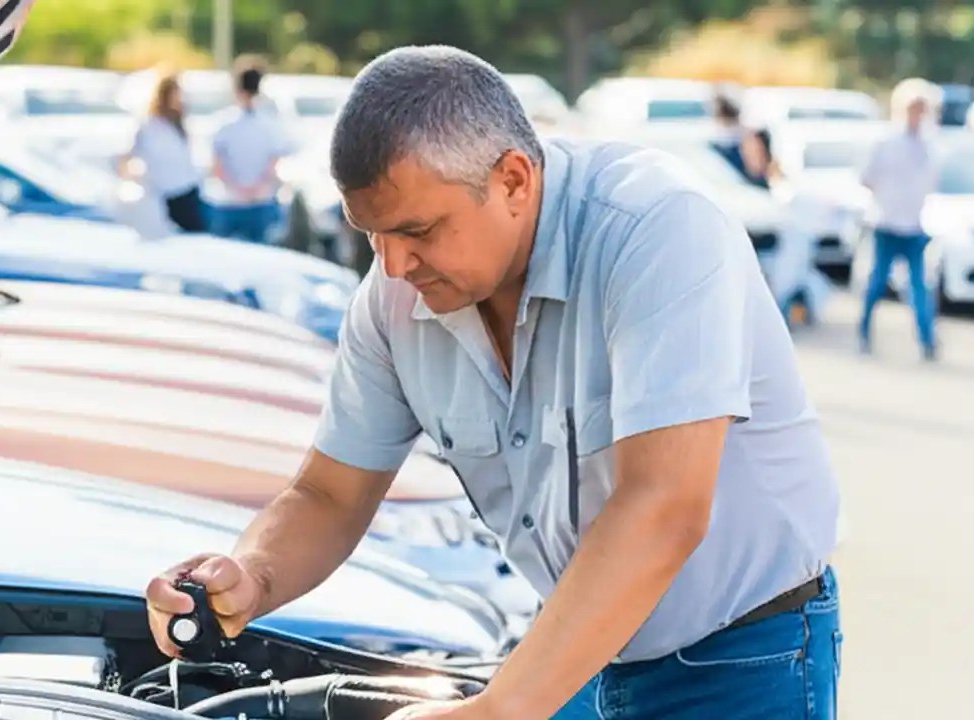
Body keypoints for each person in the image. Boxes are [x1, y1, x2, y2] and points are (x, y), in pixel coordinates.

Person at [146, 46, 841, 720]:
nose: (392, 266)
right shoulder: (393, 299)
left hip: (742, 658)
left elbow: (663, 509)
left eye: (417, 230)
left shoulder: (659, 229)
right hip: (571, 648)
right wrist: (251, 575)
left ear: (513, 179)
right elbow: (329, 494)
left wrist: (502, 709)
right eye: (371, 235)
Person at [858, 77, 943, 361]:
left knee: (919, 285)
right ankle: (864, 330)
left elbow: (931, 181)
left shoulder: (928, 145)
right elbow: (866, 177)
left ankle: (927, 339)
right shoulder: (886, 141)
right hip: (886, 222)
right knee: (878, 281)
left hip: (914, 225)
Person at [208, 56, 286, 244]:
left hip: (229, 202)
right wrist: (255, 188)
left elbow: (216, 167)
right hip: (260, 201)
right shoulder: (269, 124)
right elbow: (273, 165)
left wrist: (238, 189)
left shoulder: (223, 123)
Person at [123, 69, 207, 233]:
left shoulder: (178, 124)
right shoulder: (149, 126)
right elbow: (128, 157)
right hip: (161, 193)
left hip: (186, 189)